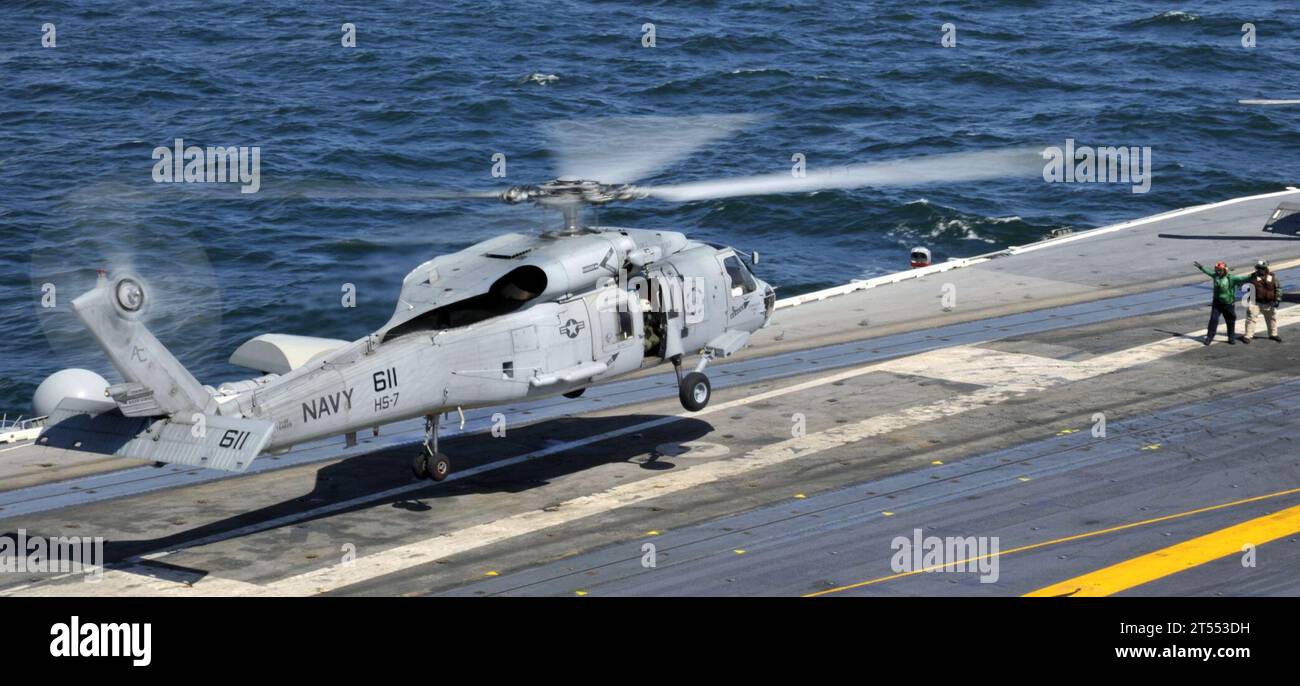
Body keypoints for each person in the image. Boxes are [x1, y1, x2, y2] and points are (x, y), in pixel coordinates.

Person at [1194, 260, 1252, 345]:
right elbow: (1208, 272)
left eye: (1220, 270)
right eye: (1217, 270)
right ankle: (1209, 338)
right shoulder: (1215, 276)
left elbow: (1243, 278)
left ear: (1225, 270)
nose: (1218, 272)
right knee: (1213, 320)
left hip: (1228, 304)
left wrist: (1253, 275)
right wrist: (1201, 267)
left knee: (1230, 320)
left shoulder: (1231, 278)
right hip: (1217, 303)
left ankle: (1231, 338)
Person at [1242, 259, 1283, 343]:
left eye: (1262, 268)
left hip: (1269, 302)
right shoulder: (1252, 277)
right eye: (1259, 268)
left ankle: (1273, 334)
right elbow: (1243, 285)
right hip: (1255, 302)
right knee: (1251, 319)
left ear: (1266, 268)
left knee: (1272, 318)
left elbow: (1278, 289)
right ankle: (1248, 336)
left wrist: (1278, 299)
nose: (1260, 270)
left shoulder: (1272, 277)